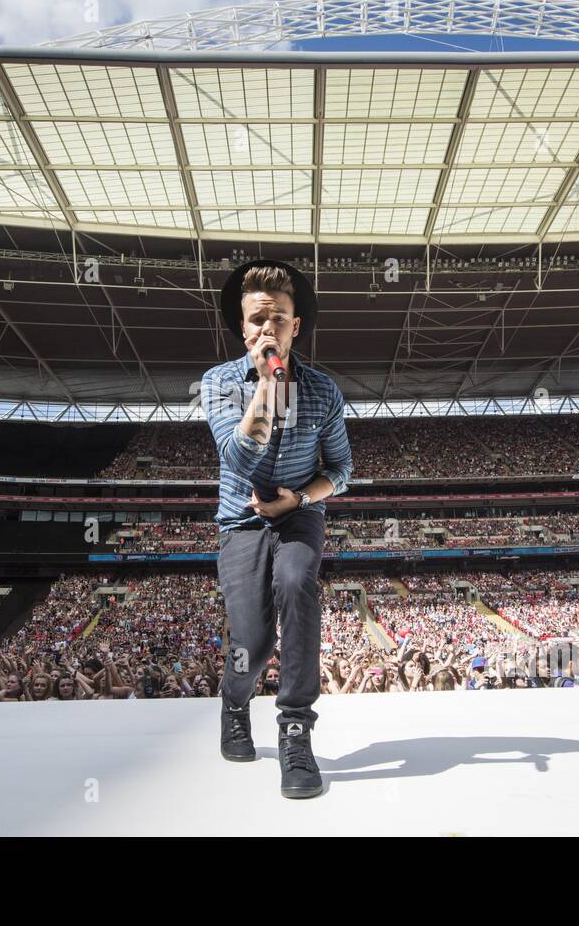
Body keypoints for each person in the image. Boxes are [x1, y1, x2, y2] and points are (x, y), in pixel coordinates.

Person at [201, 259, 353, 799]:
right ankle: (234, 700)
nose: (269, 329)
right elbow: (239, 458)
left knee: (297, 582)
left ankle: (295, 731)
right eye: (258, 320)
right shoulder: (218, 383)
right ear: (244, 328)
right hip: (240, 522)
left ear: (296, 327)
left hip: (299, 516)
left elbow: (341, 471)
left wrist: (299, 498)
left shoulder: (324, 391)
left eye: (279, 319)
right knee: (253, 641)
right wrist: (267, 386)